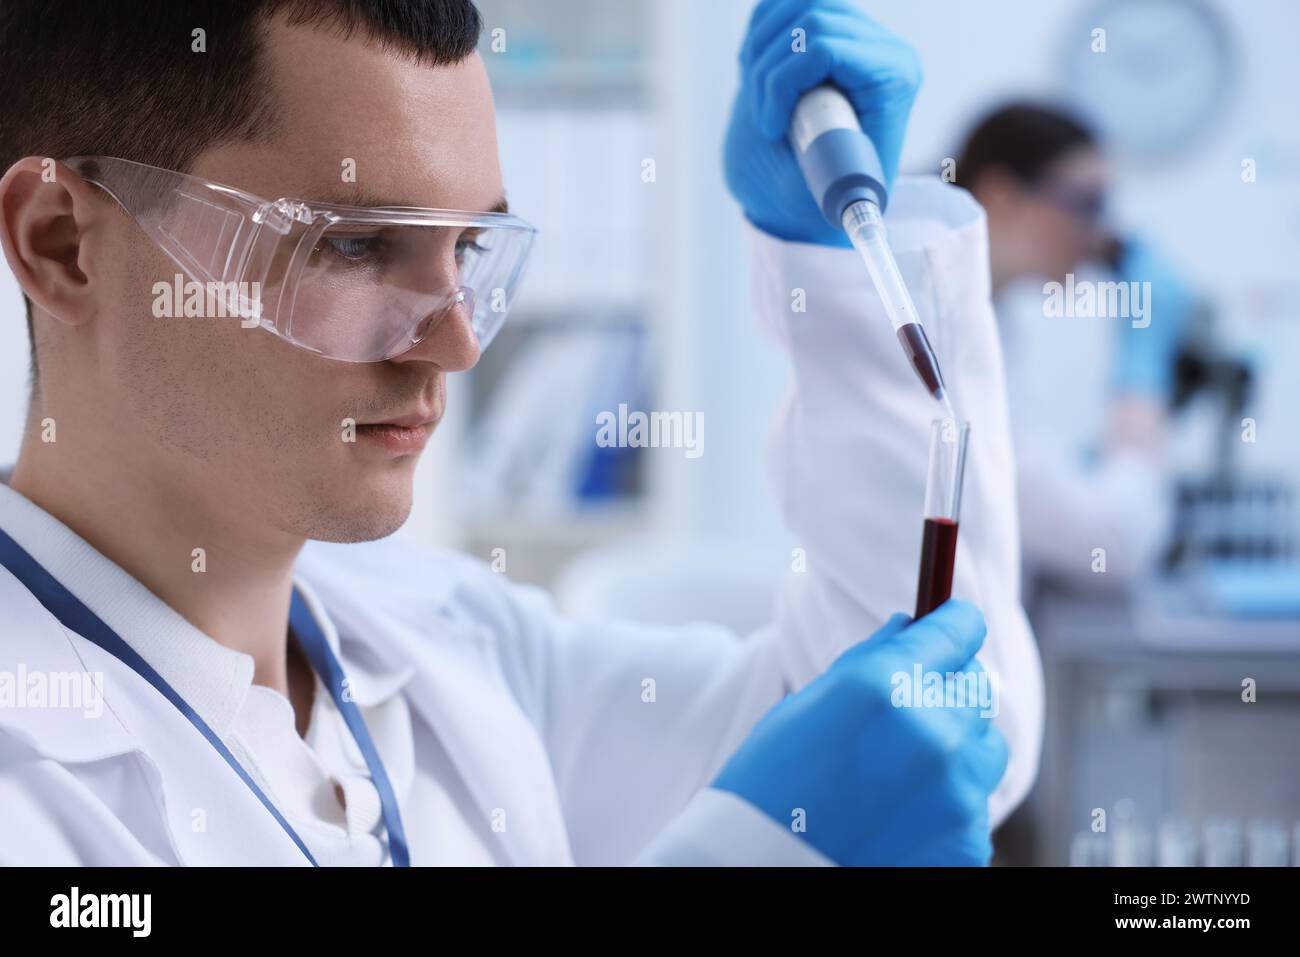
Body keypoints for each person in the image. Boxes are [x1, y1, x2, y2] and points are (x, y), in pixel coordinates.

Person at [0, 0, 1040, 866]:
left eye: (468, 248)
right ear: (63, 244)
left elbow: (920, 733)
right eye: (357, 243)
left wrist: (832, 269)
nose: (455, 345)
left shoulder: (446, 641)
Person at [953, 103, 1195, 584]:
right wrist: (1141, 376)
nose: (1102, 233)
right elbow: (1110, 542)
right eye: (1086, 203)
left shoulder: (990, 320)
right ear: (1000, 195)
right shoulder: (947, 334)